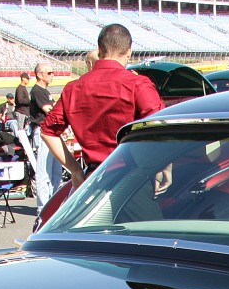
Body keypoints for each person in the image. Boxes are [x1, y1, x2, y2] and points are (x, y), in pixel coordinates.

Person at [40, 23, 163, 179]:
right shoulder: (137, 84)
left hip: (95, 178)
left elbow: (47, 132)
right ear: (129, 51)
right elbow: (160, 129)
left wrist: (75, 169)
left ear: (99, 49)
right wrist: (163, 168)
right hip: (134, 178)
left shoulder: (73, 88)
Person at [25, 64, 62, 207]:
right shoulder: (37, 91)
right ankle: (43, 208)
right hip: (43, 132)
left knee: (56, 173)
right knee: (44, 174)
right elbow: (49, 110)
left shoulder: (45, 92)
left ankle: (54, 204)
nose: (52, 75)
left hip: (53, 133)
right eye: (49, 72)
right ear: (39, 75)